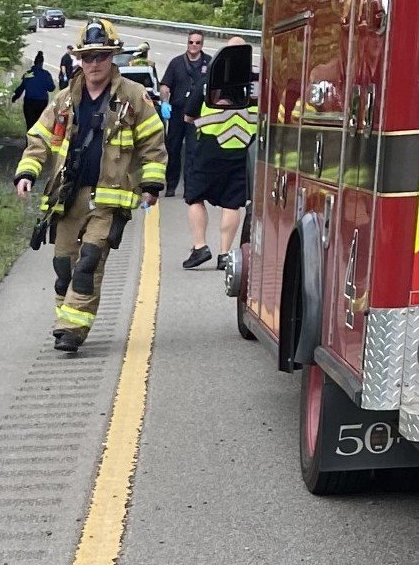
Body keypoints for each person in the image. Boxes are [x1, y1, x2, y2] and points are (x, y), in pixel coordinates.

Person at [14, 19, 168, 354]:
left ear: (112, 57)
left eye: (101, 56)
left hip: (109, 200)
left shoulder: (133, 96)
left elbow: (153, 143)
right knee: (64, 267)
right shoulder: (65, 100)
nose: (94, 63)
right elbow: (39, 139)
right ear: (80, 59)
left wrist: (152, 183)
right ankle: (64, 321)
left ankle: (73, 330)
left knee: (88, 263)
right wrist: (26, 173)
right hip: (68, 196)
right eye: (88, 56)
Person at [181, 38, 257, 270]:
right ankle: (225, 254)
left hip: (210, 148)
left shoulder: (211, 79)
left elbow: (188, 115)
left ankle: (200, 246)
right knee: (232, 203)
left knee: (195, 196)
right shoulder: (257, 82)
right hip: (242, 148)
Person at [157, 31, 211, 197]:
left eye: (197, 43)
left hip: (198, 114)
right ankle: (171, 185)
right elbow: (165, 86)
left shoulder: (209, 63)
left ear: (202, 44)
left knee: (193, 151)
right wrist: (164, 102)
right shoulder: (177, 63)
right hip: (177, 112)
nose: (193, 45)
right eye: (191, 42)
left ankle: (190, 188)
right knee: (173, 149)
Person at [10, 52, 57, 130]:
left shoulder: (28, 74)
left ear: (34, 63)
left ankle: (29, 137)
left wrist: (15, 97)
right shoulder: (46, 74)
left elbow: (22, 87)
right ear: (42, 63)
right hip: (42, 102)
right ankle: (36, 137)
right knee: (38, 123)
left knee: (30, 123)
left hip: (29, 101)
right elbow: (51, 88)